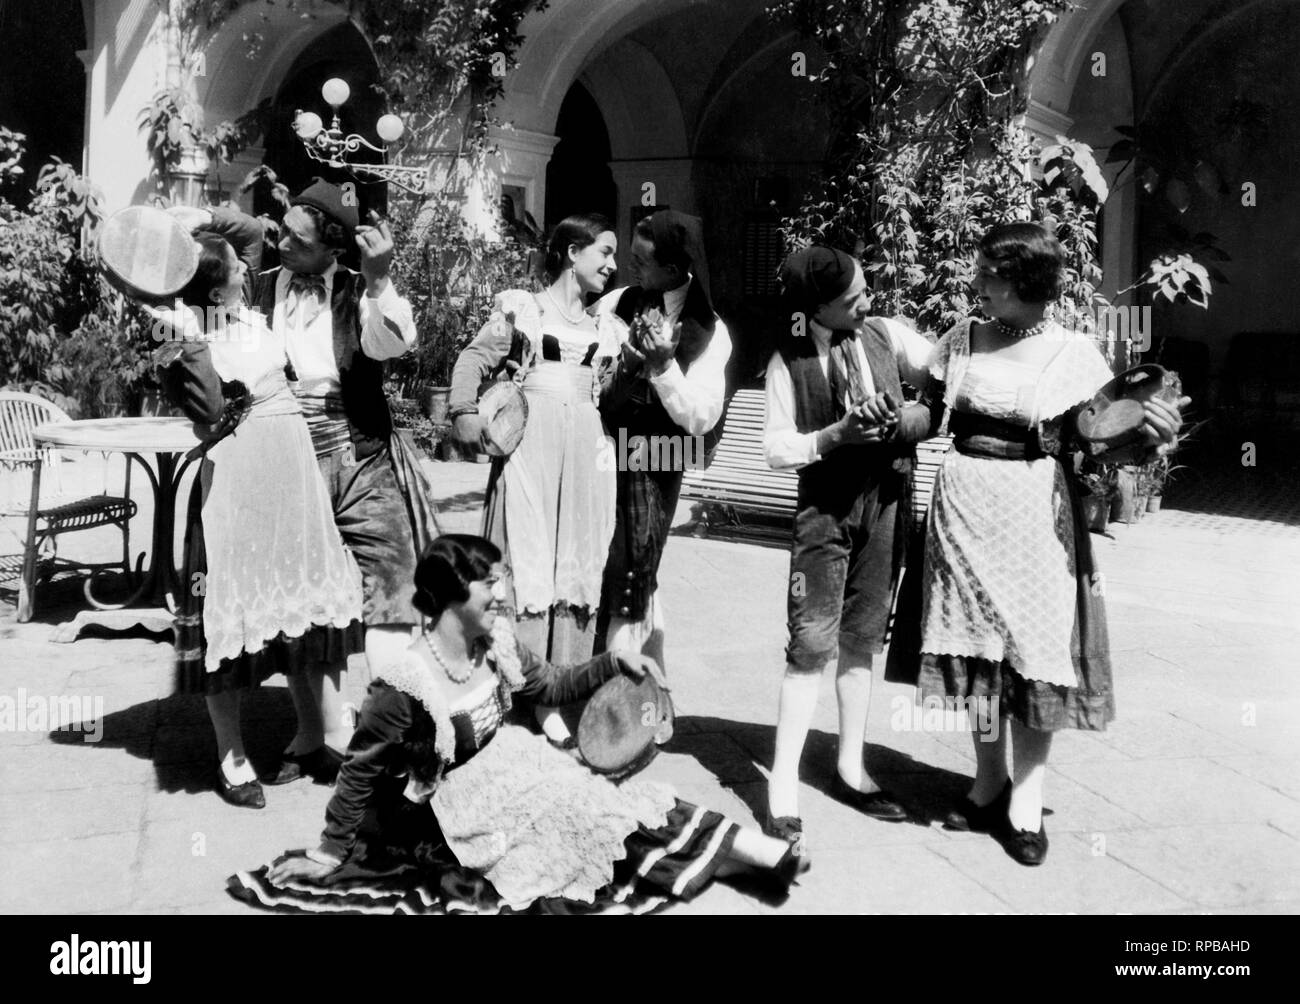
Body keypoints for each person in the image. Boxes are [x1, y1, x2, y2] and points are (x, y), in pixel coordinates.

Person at [227, 534, 808, 914]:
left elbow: (551, 684)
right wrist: (332, 851)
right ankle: (749, 855)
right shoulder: (405, 683)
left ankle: (755, 852)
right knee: (579, 808)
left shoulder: (495, 643)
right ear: (453, 598)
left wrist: (614, 662)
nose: (502, 595)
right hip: (447, 808)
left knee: (602, 795)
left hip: (510, 766)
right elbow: (360, 769)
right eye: (490, 586)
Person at [912, 222, 1184, 865]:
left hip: (1035, 513)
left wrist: (1150, 431)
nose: (976, 281)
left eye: (988, 273)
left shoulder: (1073, 355)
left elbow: (1101, 436)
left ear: (1024, 281)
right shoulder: (963, 338)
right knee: (976, 654)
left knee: (1034, 652)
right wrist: (892, 423)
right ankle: (986, 784)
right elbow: (927, 409)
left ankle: (1026, 804)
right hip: (961, 508)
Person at [147, 205, 365, 809]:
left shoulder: (252, 310)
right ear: (213, 286)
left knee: (298, 600)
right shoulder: (185, 335)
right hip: (236, 483)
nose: (252, 268)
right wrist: (179, 328)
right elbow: (210, 410)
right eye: (238, 270)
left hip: (291, 473)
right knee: (230, 612)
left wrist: (198, 218)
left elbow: (248, 232)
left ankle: (309, 736)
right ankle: (231, 756)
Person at [252, 179, 437, 785]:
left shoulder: (359, 289)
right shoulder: (255, 290)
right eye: (282, 230)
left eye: (295, 240)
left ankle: (396, 736)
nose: (280, 242)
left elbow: (393, 343)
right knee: (297, 595)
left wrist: (380, 279)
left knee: (392, 591)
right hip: (282, 452)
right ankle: (310, 734)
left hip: (358, 451)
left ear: (332, 249)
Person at [761, 245, 939, 850]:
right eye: (852, 297)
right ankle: (782, 785)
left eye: (864, 288)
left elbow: (941, 373)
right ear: (818, 307)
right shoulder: (788, 360)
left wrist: (912, 413)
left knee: (862, 637)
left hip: (887, 501)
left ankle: (850, 766)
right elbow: (777, 447)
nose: (867, 301)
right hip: (825, 511)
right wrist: (835, 435)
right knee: (810, 642)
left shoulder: (886, 334)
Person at [448, 214, 621, 744]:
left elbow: (616, 395)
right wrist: (463, 411)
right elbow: (475, 358)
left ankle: (557, 696)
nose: (612, 266)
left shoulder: (610, 328)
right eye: (604, 254)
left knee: (575, 565)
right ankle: (510, 688)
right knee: (525, 559)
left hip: (588, 451)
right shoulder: (522, 309)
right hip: (531, 443)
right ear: (572, 252)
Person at [593, 209, 732, 678]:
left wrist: (663, 368)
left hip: (659, 455)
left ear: (674, 269)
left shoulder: (710, 333)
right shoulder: (617, 303)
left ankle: (617, 689)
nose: (630, 268)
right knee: (624, 560)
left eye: (641, 261)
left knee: (633, 561)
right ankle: (654, 678)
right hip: (607, 450)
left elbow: (701, 417)